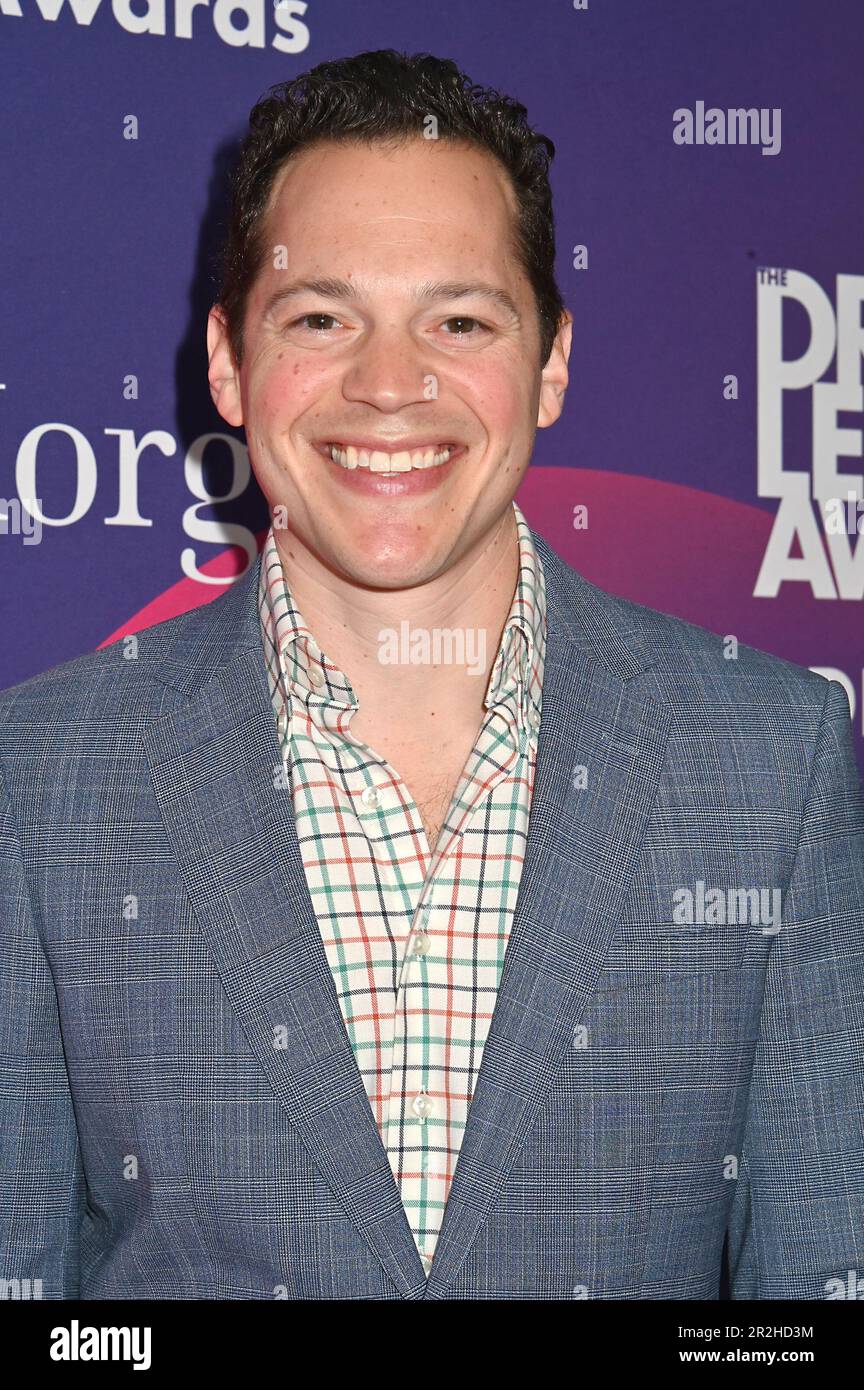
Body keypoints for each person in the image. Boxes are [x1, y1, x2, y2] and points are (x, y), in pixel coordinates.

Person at [1, 49, 862, 1302]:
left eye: (459, 321)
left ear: (551, 363)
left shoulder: (767, 761)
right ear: (230, 363)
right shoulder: (41, 778)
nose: (391, 385)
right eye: (321, 318)